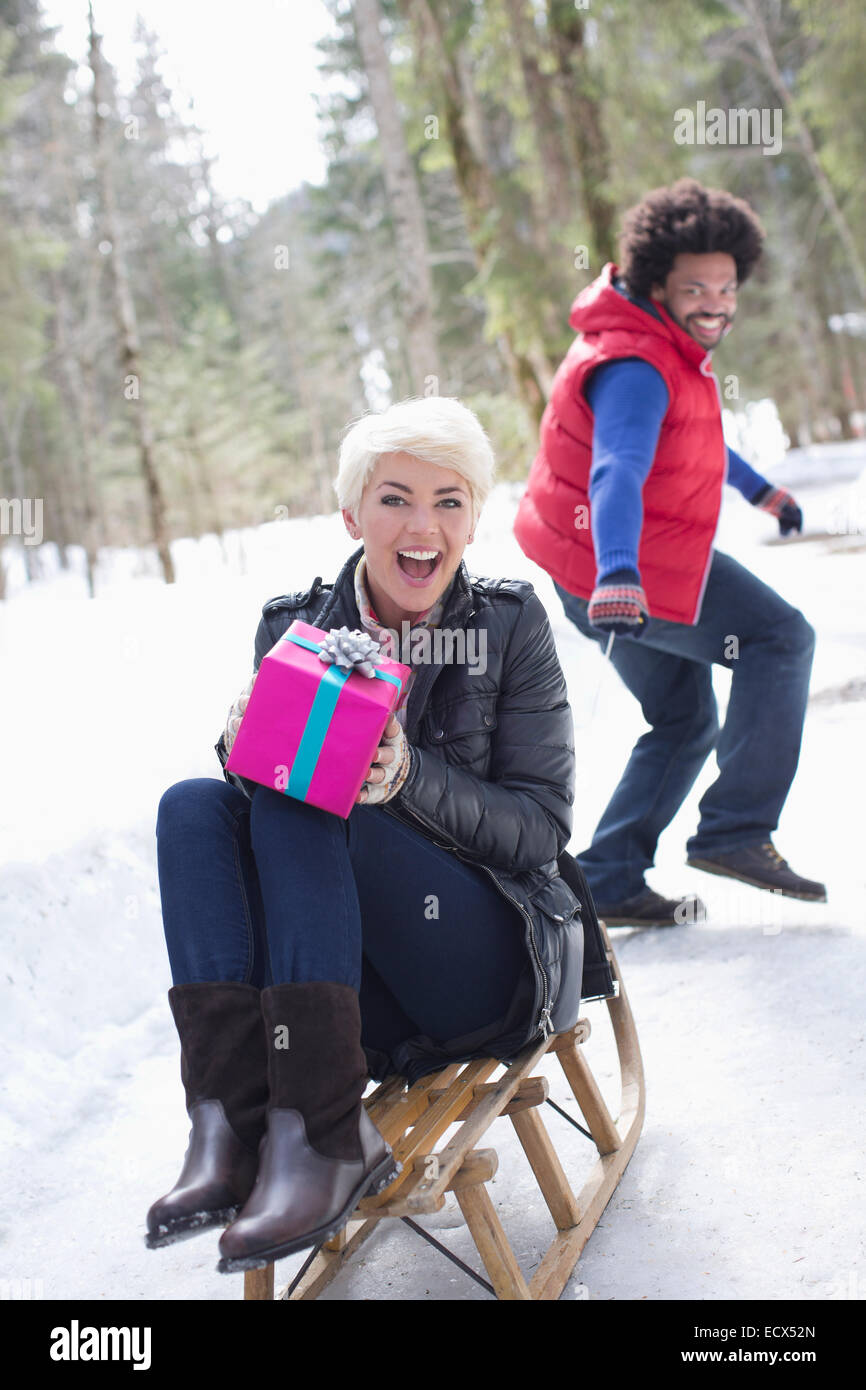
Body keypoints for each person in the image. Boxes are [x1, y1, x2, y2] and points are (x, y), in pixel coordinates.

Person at [147, 395, 584, 1273]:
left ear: (473, 519)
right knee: (192, 806)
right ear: (352, 515)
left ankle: (321, 1130)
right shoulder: (294, 626)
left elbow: (541, 832)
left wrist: (406, 779)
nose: (422, 526)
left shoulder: (507, 625)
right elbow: (263, 830)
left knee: (324, 802)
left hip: (485, 965)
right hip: (346, 1001)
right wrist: (247, 754)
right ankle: (230, 1119)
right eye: (395, 499)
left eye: (448, 501)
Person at [514, 177, 825, 928]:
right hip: (624, 568)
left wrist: (762, 493)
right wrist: (619, 571)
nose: (715, 303)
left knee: (685, 721)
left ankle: (612, 874)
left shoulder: (659, 343)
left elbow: (696, 438)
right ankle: (738, 829)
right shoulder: (636, 365)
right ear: (658, 281)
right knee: (780, 638)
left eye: (726, 286)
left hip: (592, 570)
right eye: (696, 287)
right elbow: (615, 469)